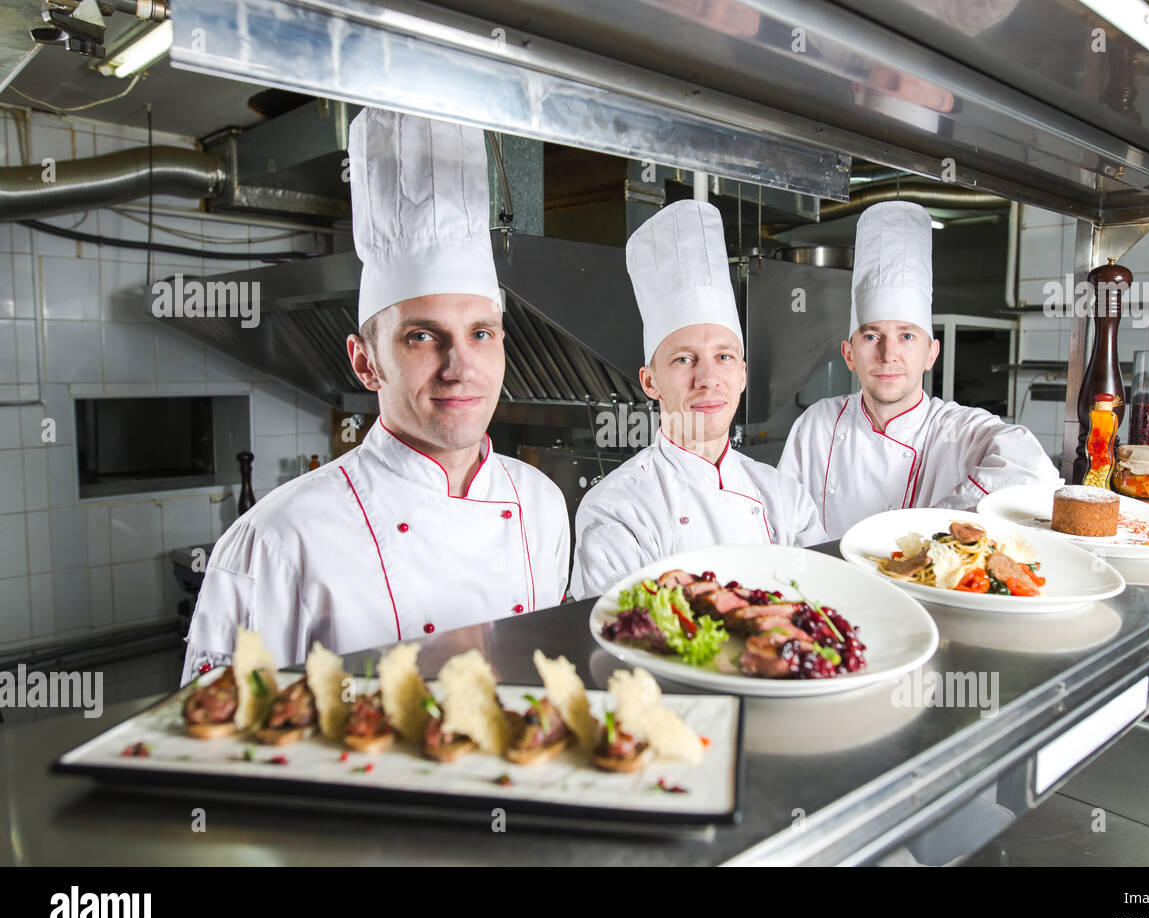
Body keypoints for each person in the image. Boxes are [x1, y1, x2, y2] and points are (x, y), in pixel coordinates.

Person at [181, 109, 569, 683]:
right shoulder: (276, 540)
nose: (459, 368)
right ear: (366, 362)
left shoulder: (541, 504)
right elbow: (210, 728)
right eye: (422, 337)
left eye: (480, 334)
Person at [570, 200, 826, 600]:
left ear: (742, 375)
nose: (707, 379)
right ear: (650, 382)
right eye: (684, 359)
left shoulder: (785, 498)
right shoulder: (617, 509)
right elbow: (619, 631)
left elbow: (826, 607)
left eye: (723, 357)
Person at [779, 201, 1060, 539]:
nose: (888, 354)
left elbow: (1035, 471)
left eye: (907, 336)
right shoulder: (816, 424)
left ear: (931, 354)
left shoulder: (958, 430)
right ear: (849, 355)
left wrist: (935, 528)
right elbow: (782, 523)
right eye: (871, 336)